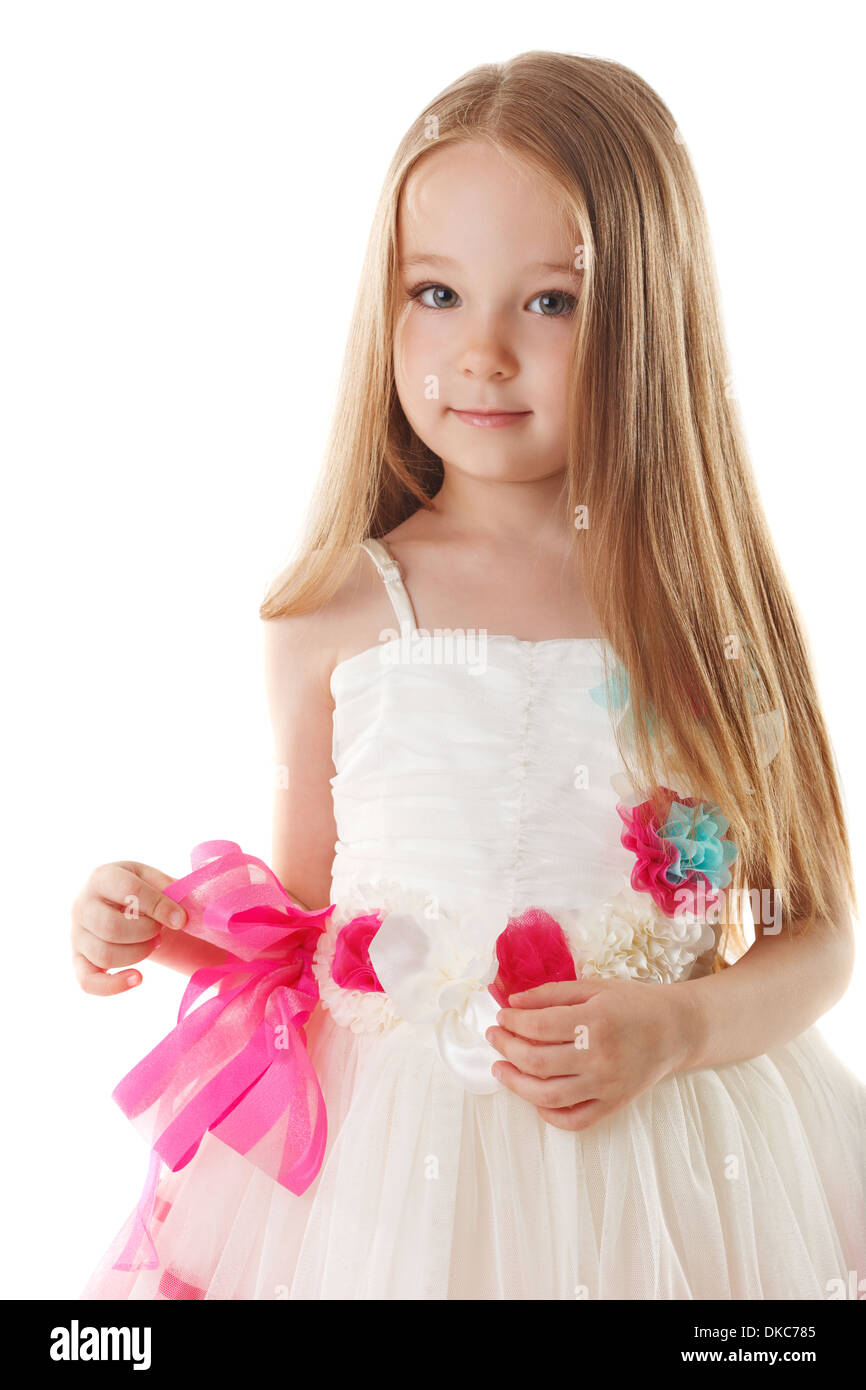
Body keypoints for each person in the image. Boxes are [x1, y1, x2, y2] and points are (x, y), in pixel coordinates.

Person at [73, 50, 866, 1299]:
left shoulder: (706, 614)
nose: (481, 352)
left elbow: (816, 932)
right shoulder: (333, 609)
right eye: (434, 293)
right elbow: (308, 927)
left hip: (677, 1167)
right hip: (390, 1190)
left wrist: (679, 1027)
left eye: (547, 303)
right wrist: (168, 924)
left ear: (648, 318)